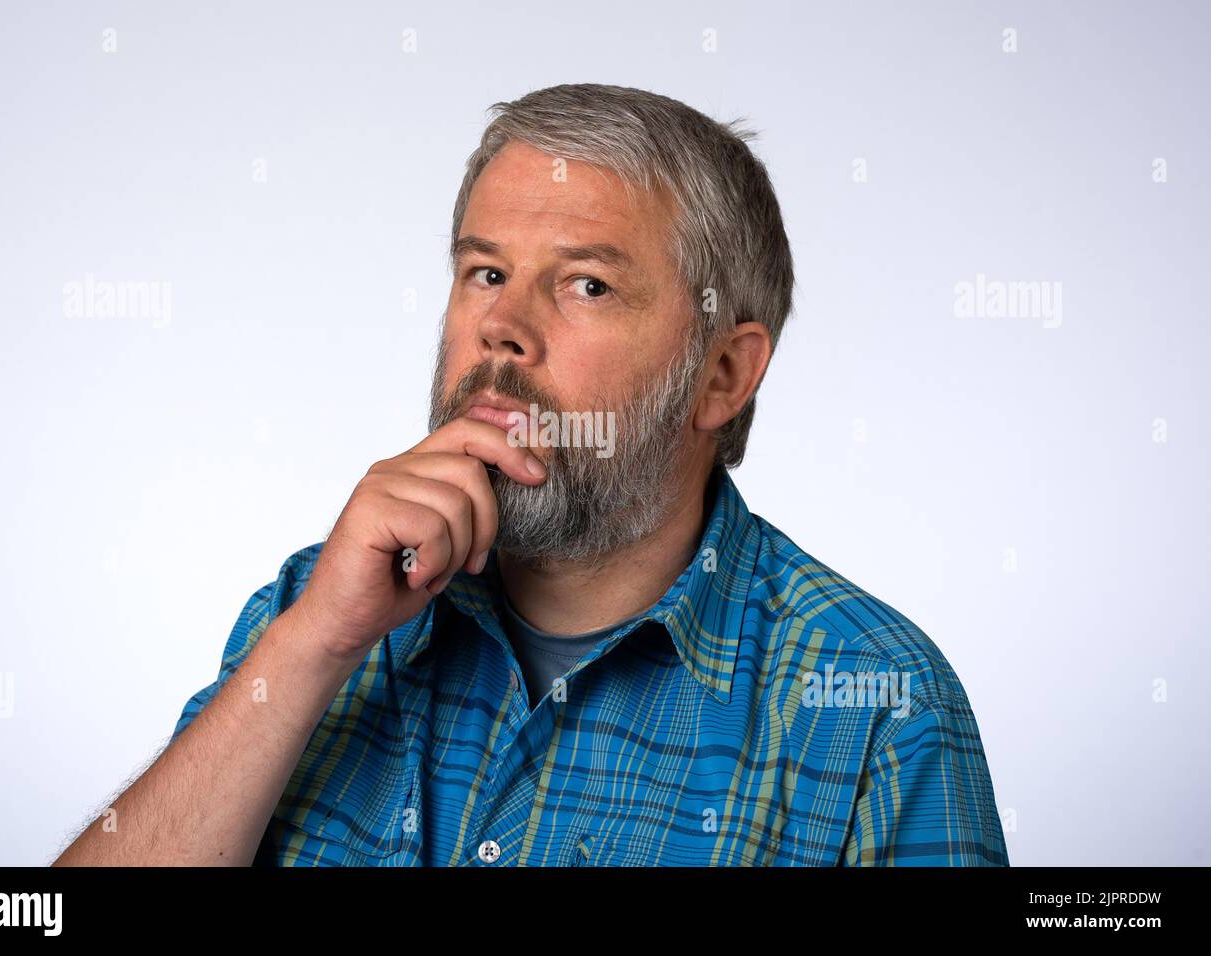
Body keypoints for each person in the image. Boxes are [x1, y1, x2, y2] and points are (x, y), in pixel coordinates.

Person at [54, 83, 1008, 867]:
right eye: (484, 272)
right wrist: (312, 648)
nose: (501, 326)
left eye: (586, 283)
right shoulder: (315, 611)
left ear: (722, 374)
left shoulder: (875, 704)